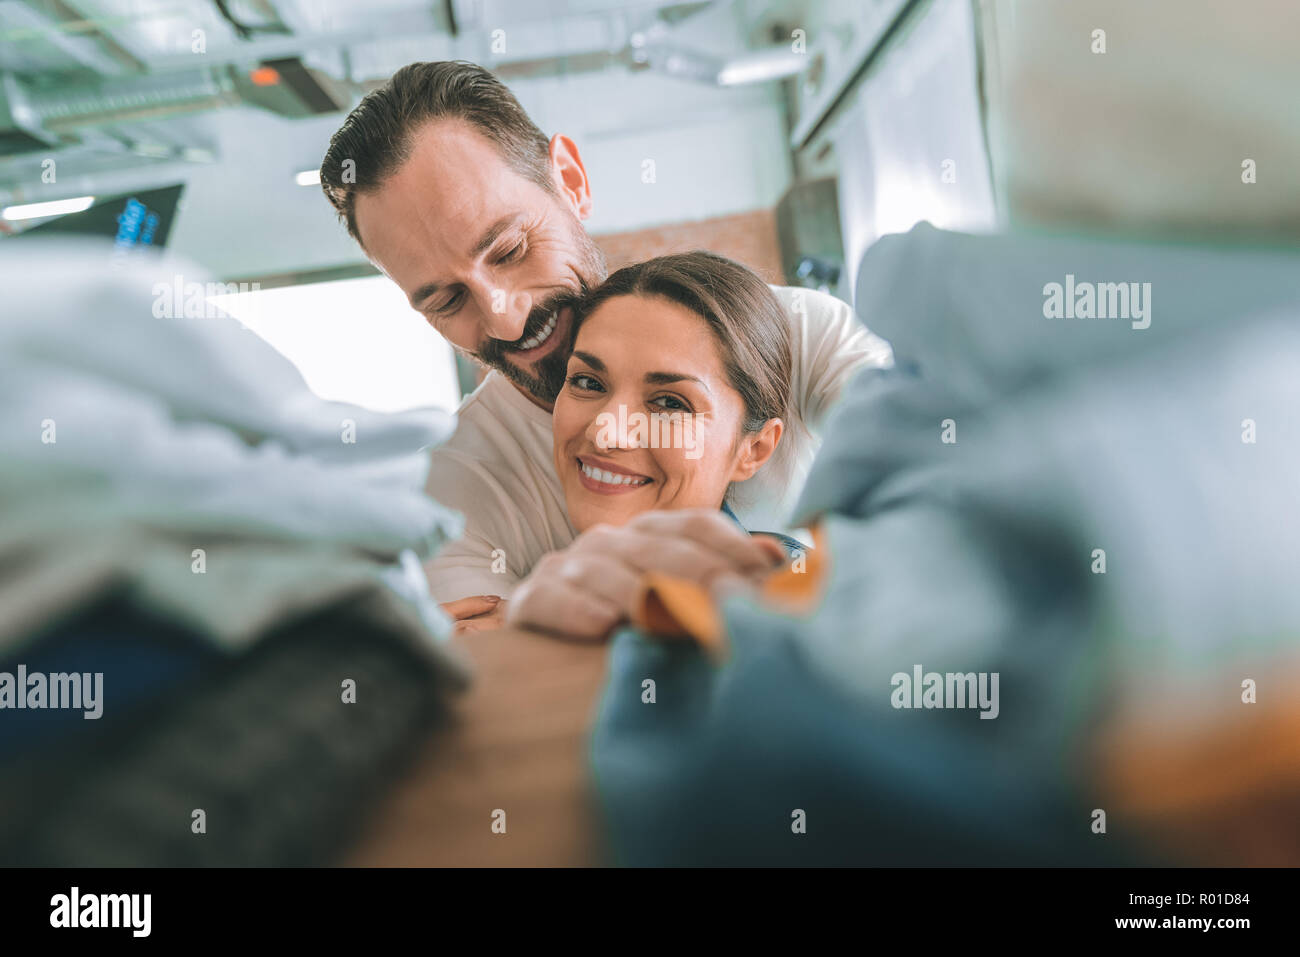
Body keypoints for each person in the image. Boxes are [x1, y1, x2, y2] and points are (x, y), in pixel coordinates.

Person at [318, 61, 892, 627]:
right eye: (446, 300)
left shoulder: (799, 337)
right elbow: (490, 681)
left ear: (571, 181)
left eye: (512, 249)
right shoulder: (451, 488)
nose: (507, 321)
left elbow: (946, 485)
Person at [496, 250, 803, 638]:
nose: (607, 432)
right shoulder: (507, 611)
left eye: (670, 403)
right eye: (588, 382)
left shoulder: (805, 608)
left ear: (753, 449)